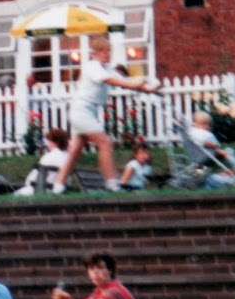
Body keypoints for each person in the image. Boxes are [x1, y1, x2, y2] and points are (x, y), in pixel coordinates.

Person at [51, 36, 160, 194]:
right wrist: (132, 84)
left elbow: (124, 81)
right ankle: (112, 183)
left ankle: (58, 186)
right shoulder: (92, 66)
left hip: (88, 112)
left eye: (108, 51)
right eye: (103, 51)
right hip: (81, 111)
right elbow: (111, 81)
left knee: (75, 151)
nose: (107, 54)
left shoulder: (106, 68)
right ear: (94, 53)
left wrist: (148, 89)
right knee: (105, 143)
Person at [16, 127, 70, 195]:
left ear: (55, 142)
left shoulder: (49, 157)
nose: (48, 144)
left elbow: (32, 178)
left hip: (44, 190)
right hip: (61, 189)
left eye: (49, 141)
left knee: (15, 195)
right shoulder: (68, 158)